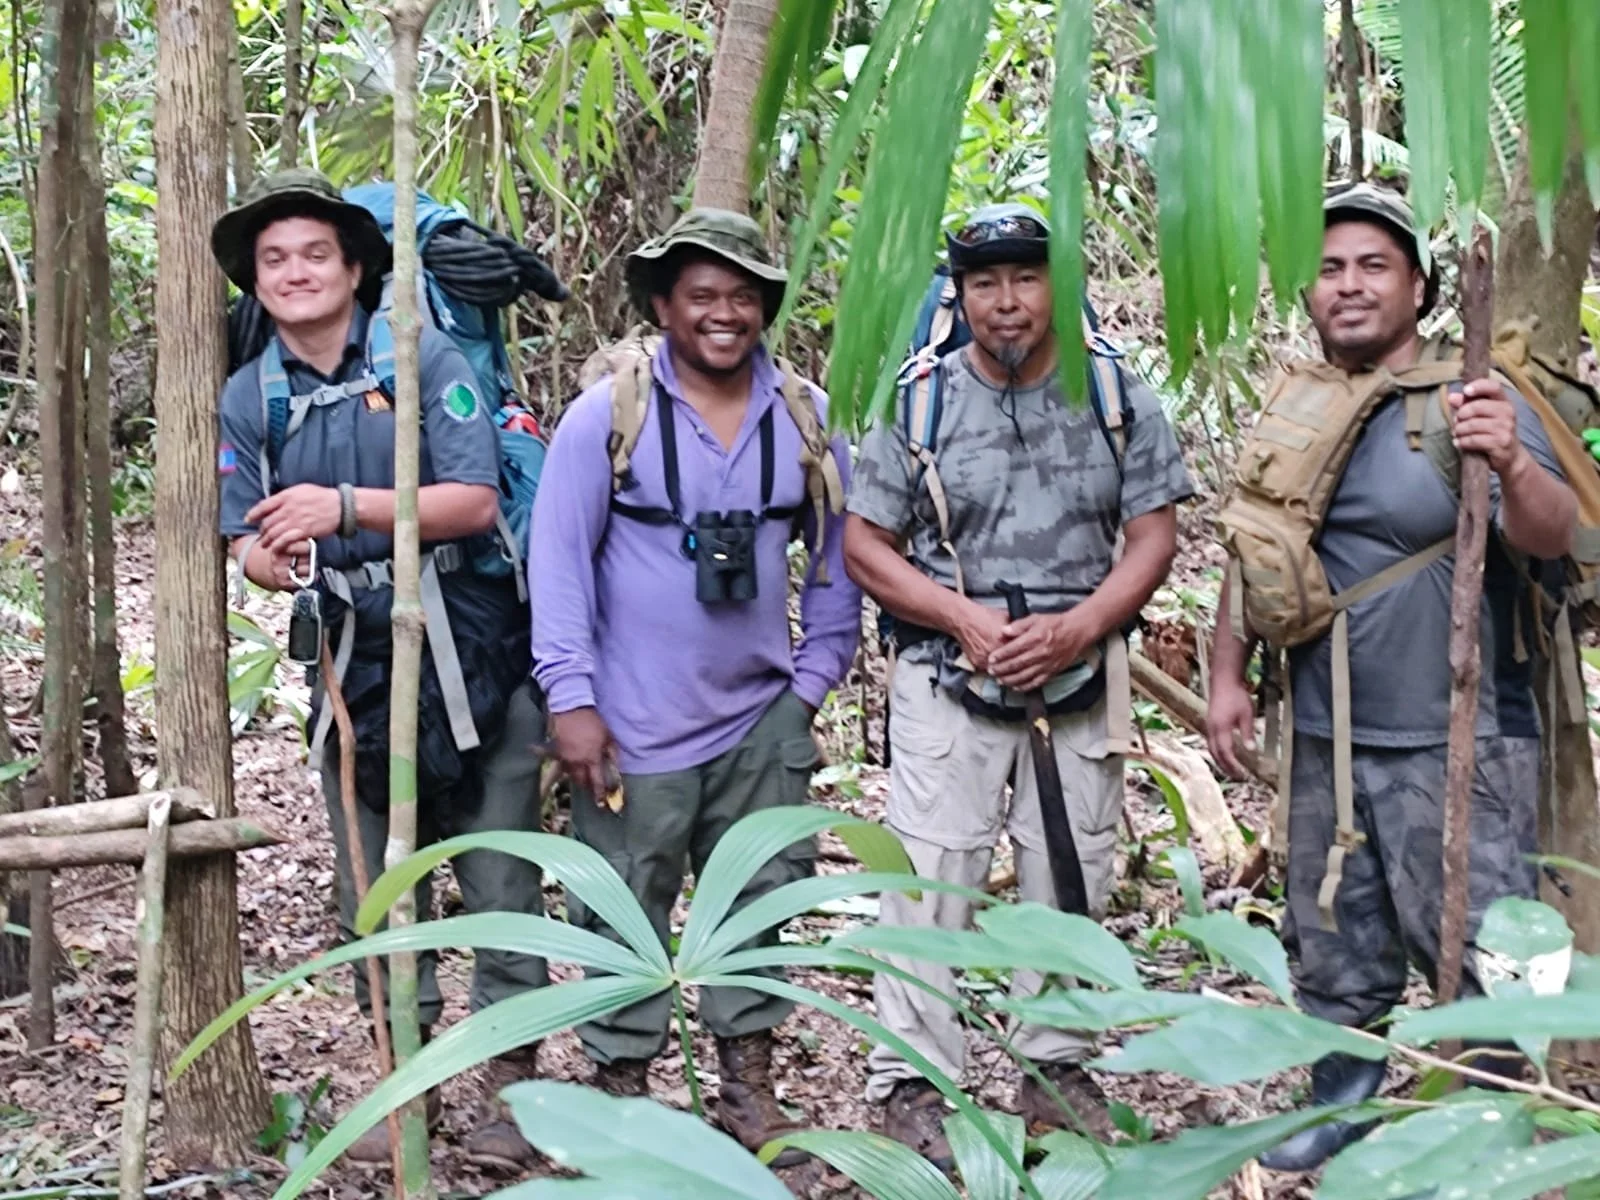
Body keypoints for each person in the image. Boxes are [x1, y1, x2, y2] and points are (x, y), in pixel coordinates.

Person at [1207, 183, 1576, 1171]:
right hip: (1327, 734)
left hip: (1460, 733)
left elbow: (1549, 536)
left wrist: (1509, 461)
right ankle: (1341, 1107)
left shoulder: (1472, 398)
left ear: (1417, 285)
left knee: (1483, 948)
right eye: (1329, 268)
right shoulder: (1298, 406)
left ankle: (1496, 1124)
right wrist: (1226, 678)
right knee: (1332, 943)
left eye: (1373, 265)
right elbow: (1254, 550)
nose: (1349, 285)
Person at [843, 203, 1194, 1166]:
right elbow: (864, 544)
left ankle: (1057, 1069)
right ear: (958, 294)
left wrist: (1080, 623)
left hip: (1080, 679)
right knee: (930, 879)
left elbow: (1154, 531)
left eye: (1026, 280)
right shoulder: (917, 399)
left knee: (1068, 874)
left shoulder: (1118, 394)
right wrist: (965, 619)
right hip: (946, 677)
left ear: (1060, 287)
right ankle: (912, 1080)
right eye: (985, 283)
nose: (1007, 303)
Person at [211, 168, 549, 1170]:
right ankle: (407, 1090)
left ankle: (517, 1095)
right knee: (374, 886)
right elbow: (248, 543)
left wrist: (341, 509)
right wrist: (278, 559)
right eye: (275, 259)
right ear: (256, 281)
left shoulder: (424, 357)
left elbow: (473, 500)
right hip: (349, 667)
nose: (296, 273)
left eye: (316, 253)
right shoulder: (249, 394)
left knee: (498, 875)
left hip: (471, 644)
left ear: (358, 269)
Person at [529, 208, 861, 1161]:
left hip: (761, 718)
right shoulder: (609, 415)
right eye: (703, 295)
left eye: (743, 297)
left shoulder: (802, 415)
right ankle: (621, 1092)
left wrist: (811, 686)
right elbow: (557, 563)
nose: (724, 314)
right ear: (665, 305)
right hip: (630, 725)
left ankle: (749, 1088)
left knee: (761, 901)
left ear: (767, 309)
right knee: (624, 904)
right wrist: (573, 701)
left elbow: (839, 563)